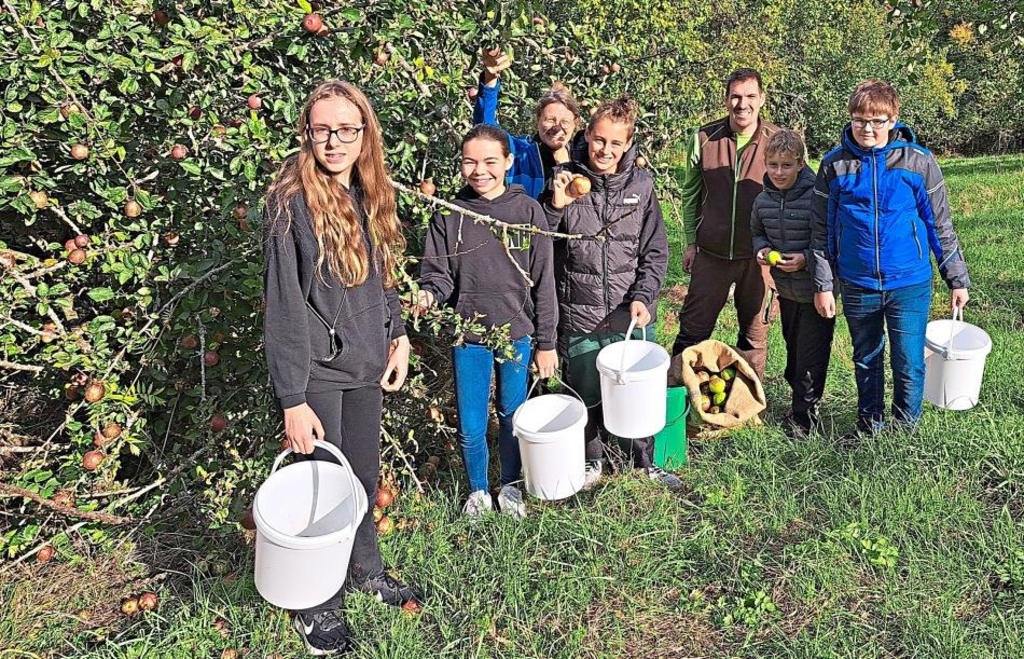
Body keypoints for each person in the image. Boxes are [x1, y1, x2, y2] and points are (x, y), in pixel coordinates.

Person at [263, 79, 422, 655]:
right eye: (323, 129)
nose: (334, 141)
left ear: (364, 135)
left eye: (347, 130)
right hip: (317, 376)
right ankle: (315, 605)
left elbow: (384, 278)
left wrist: (398, 334)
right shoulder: (292, 204)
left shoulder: (368, 193)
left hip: (365, 365)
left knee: (360, 480)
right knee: (319, 492)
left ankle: (365, 571)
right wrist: (291, 397)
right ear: (307, 132)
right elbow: (283, 304)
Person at [810, 79, 970, 438]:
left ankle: (905, 430)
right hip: (858, 282)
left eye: (877, 121)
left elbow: (939, 223)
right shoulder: (835, 165)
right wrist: (823, 284)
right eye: (859, 119)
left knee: (909, 362)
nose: (867, 128)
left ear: (893, 119)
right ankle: (870, 427)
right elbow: (820, 230)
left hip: (909, 283)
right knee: (866, 359)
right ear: (850, 118)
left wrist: (956, 277)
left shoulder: (919, 162)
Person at [413, 124, 558, 518]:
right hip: (469, 333)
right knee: (471, 419)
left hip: (517, 333)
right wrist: (428, 294)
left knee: (513, 413)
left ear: (509, 163)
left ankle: (511, 486)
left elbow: (544, 281)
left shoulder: (528, 212)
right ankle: (478, 490)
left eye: (490, 161)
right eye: (470, 162)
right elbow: (439, 275)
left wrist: (546, 342)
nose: (480, 170)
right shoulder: (450, 214)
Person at [543, 95, 680, 491]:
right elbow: (543, 245)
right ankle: (592, 461)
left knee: (637, 394)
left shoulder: (640, 186)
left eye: (615, 143)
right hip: (580, 315)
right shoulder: (567, 179)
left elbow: (655, 250)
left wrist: (645, 295)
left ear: (628, 143)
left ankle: (643, 462)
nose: (605, 150)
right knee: (586, 392)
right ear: (587, 135)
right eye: (599, 140)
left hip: (628, 315)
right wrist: (555, 206)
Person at [671, 68, 779, 378]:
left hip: (759, 257)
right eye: (735, 96)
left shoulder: (777, 141)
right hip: (712, 253)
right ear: (726, 99)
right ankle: (680, 394)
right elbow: (690, 194)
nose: (742, 104)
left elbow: (796, 200)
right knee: (692, 330)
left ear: (761, 99)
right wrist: (690, 241)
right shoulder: (705, 138)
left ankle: (748, 402)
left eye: (749, 97)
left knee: (754, 337)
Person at [750, 129, 835, 437]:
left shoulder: (816, 197)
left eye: (786, 165)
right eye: (772, 165)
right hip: (785, 290)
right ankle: (799, 401)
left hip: (816, 289)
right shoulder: (762, 201)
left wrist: (805, 259)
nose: (779, 172)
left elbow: (828, 240)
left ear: (801, 163)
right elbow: (758, 233)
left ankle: (805, 417)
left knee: (811, 355)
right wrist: (762, 251)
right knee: (794, 351)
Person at [472, 47, 581, 199]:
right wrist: (490, 78)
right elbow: (485, 130)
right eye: (550, 120)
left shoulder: (582, 161)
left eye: (565, 121)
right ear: (538, 120)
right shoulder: (519, 152)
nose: (557, 128)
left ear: (575, 124)